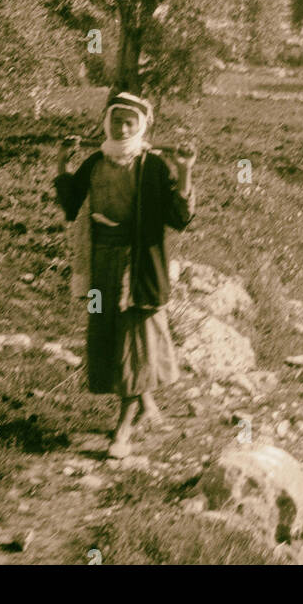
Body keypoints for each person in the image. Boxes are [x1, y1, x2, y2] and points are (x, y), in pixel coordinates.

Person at [54, 92, 195, 458]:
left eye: (130, 121)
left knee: (133, 340)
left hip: (139, 267)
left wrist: (185, 171)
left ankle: (123, 430)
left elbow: (179, 218)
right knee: (111, 332)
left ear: (143, 125)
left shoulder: (153, 167)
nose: (122, 127)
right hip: (101, 263)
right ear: (107, 123)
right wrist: (63, 163)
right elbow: (72, 206)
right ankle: (147, 405)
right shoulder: (96, 162)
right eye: (116, 120)